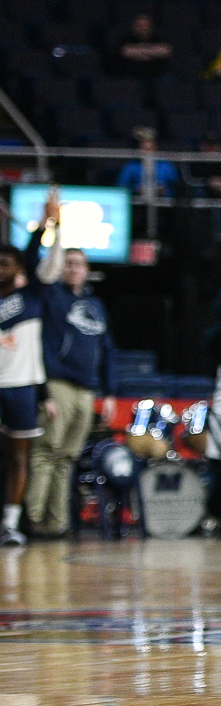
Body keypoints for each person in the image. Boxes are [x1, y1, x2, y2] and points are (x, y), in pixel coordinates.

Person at [26, 243, 115, 539]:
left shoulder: (96, 305)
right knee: (47, 452)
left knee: (67, 457)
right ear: (59, 268)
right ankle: (33, 519)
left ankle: (56, 523)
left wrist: (109, 392)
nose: (74, 268)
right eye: (68, 263)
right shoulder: (51, 296)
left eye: (79, 264)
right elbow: (33, 268)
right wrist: (45, 393)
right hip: (58, 384)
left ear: (87, 270)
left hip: (86, 390)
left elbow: (107, 349)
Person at [1, 191, 64, 545]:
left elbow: (31, 255)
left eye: (6, 263)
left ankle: (11, 524)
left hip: (22, 385)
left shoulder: (31, 296)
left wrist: (46, 226)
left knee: (19, 457)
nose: (1, 268)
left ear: (18, 268)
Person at [116, 128, 182, 200]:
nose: (147, 152)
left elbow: (177, 186)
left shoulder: (166, 165)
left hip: (164, 203)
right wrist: (136, 189)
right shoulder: (131, 166)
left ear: (155, 147)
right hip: (137, 203)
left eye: (149, 148)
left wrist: (164, 190)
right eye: (143, 148)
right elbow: (121, 187)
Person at [111, 14, 172, 79]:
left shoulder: (157, 39)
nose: (143, 28)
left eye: (145, 25)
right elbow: (126, 52)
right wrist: (152, 51)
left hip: (156, 75)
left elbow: (165, 51)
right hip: (131, 75)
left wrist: (138, 52)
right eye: (139, 25)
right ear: (134, 26)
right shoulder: (127, 39)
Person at [185, 134, 221, 199]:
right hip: (202, 195)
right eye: (208, 145)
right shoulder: (194, 162)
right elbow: (189, 182)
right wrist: (209, 182)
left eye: (214, 145)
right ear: (202, 146)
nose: (211, 149)